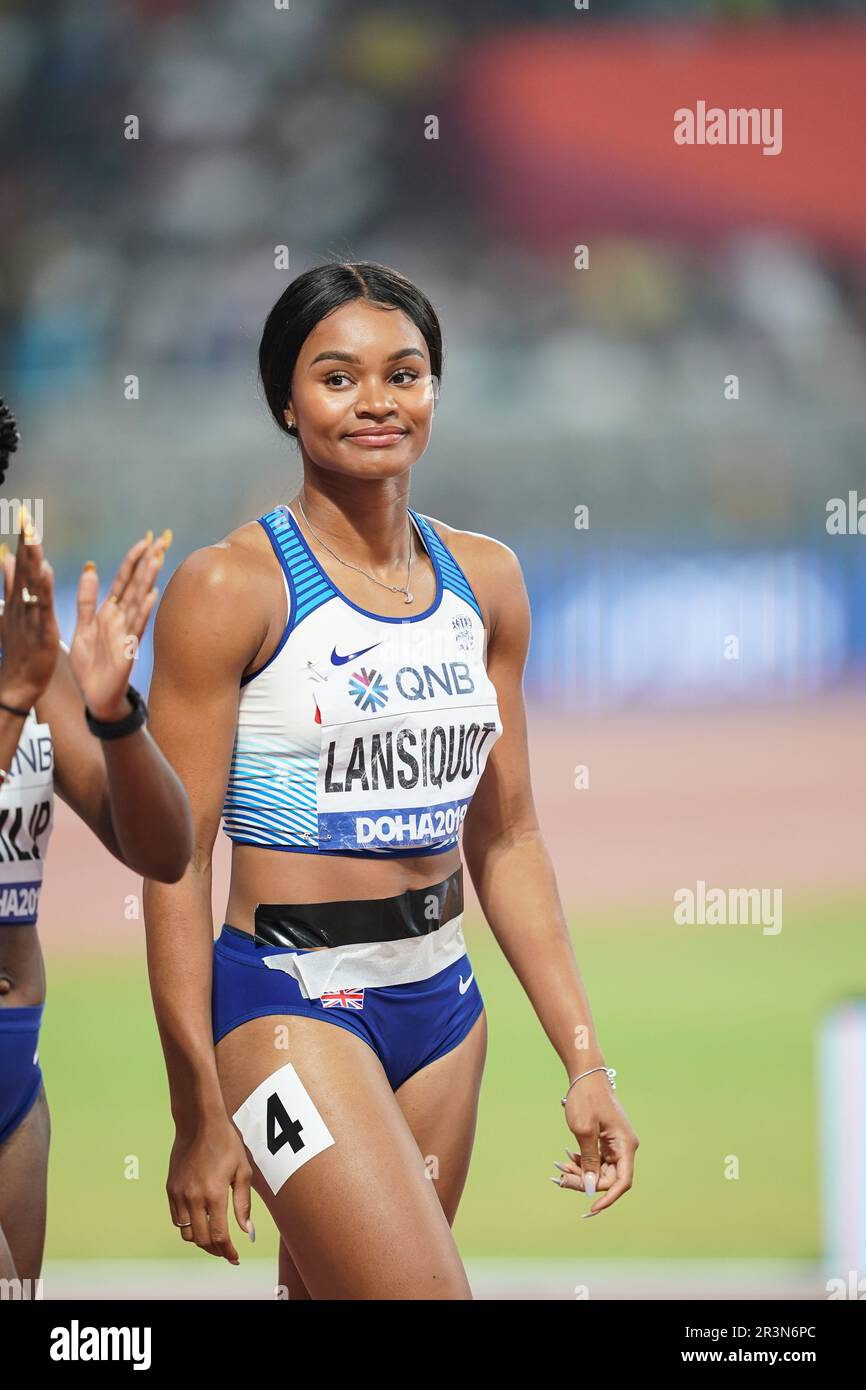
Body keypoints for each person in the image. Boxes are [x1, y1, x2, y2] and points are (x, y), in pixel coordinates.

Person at [143, 261, 639, 1300]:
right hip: (288, 1007)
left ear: (435, 388)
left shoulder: (485, 581)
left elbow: (504, 840)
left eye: (404, 373)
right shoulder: (230, 586)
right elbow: (175, 862)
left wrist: (583, 1059)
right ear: (285, 398)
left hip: (441, 1005)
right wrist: (196, 1102)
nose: (376, 401)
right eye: (337, 377)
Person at [0, 506, 194, 1287]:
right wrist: (11, 701)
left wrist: (115, 714)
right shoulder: (18, 672)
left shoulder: (20, 644)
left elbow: (161, 851)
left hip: (17, 1062)